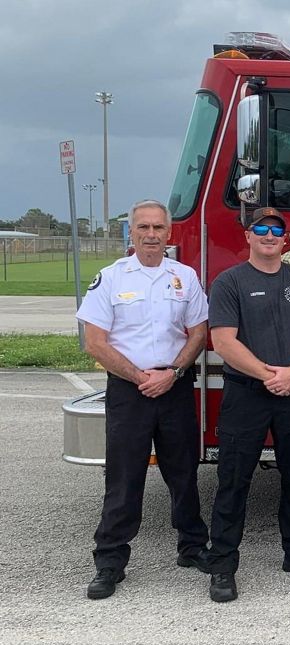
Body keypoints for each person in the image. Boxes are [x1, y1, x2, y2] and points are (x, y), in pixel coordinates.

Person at [75, 199, 210, 600]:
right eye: (143, 227)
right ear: (131, 232)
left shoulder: (185, 276)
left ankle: (192, 546)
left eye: (158, 228)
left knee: (183, 471)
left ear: (169, 233)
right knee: (124, 476)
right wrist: (139, 377)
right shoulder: (110, 278)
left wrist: (173, 373)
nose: (151, 235)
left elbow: (198, 333)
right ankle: (110, 560)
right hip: (129, 390)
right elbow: (94, 342)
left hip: (174, 386)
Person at [205, 207, 290, 602]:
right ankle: (222, 564)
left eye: (277, 230)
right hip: (246, 393)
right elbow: (223, 341)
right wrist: (269, 376)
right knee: (233, 479)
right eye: (261, 228)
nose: (269, 235)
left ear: (284, 238)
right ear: (248, 235)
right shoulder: (230, 281)